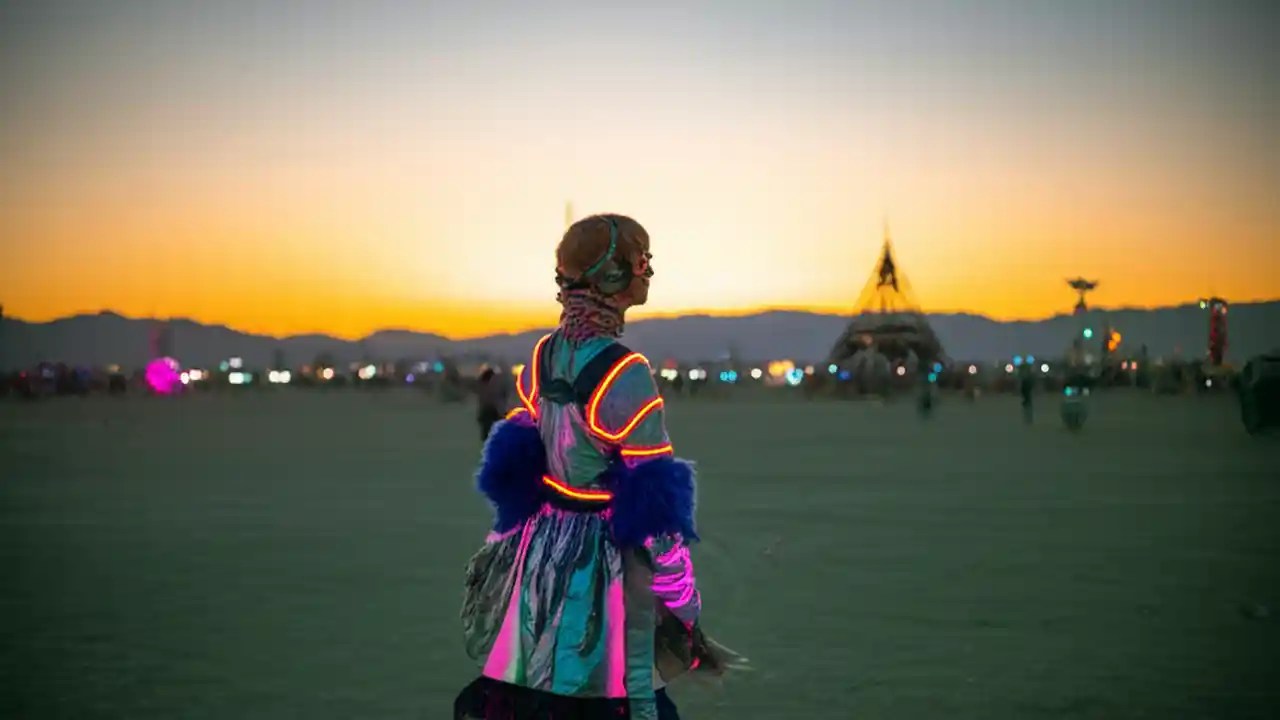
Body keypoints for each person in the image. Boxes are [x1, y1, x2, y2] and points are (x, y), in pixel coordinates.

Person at [454, 214, 744, 720]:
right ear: (612, 276)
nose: (649, 272)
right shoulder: (624, 372)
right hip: (602, 563)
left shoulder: (543, 356)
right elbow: (653, 502)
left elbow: (521, 463)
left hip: (540, 555)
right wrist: (681, 597)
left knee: (535, 683)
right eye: (641, 260)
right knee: (612, 693)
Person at [475, 366, 506, 442]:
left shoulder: (481, 385)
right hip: (492, 410)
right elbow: (496, 398)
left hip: (486, 410)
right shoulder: (492, 385)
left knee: (487, 431)